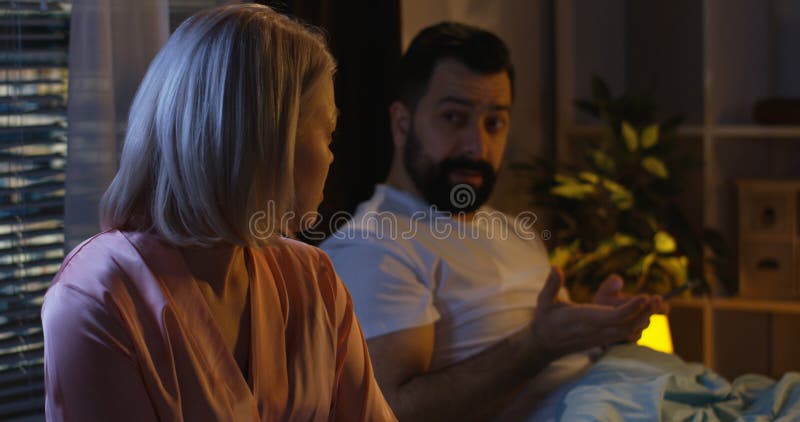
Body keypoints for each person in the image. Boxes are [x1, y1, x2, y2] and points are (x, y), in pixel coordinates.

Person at [42, 4, 395, 421]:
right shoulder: (100, 300)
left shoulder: (312, 280)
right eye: (329, 132)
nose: (333, 156)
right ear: (265, 142)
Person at [321, 22, 665, 421]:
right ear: (402, 123)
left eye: (494, 123)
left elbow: (552, 343)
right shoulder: (375, 247)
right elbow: (396, 411)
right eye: (454, 118)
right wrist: (538, 346)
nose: (477, 146)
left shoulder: (512, 230)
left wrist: (594, 330)